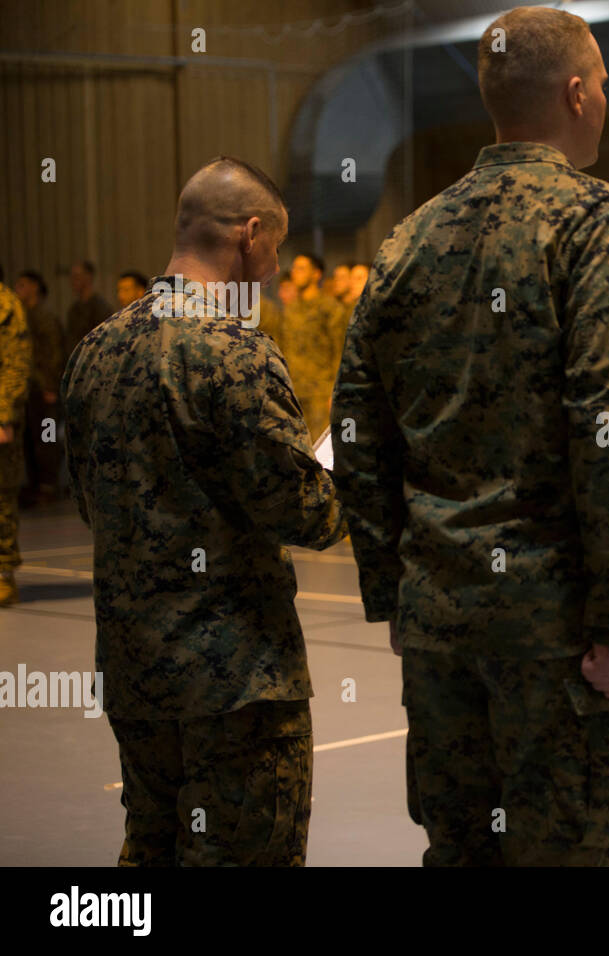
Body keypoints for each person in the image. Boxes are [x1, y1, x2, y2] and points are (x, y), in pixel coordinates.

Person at [332, 4, 609, 867]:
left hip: (441, 622)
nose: (604, 94)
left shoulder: (409, 239)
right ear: (574, 93)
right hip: (556, 632)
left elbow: (356, 432)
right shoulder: (598, 223)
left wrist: (395, 595)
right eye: (600, 80)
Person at [60, 156, 347, 865]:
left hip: (134, 672)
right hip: (235, 685)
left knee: (150, 847)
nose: (276, 270)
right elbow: (306, 513)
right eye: (274, 249)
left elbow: (90, 504)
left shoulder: (94, 351)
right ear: (250, 235)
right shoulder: (234, 352)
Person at [270, 253, 348, 439]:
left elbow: (341, 351)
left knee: (322, 447)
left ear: (316, 274)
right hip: (295, 391)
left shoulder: (330, 308)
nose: (295, 273)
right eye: (294, 268)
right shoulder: (291, 309)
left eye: (301, 268)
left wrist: (337, 391)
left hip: (321, 393)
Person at [14, 270, 66, 504]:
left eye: (22, 285)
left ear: (35, 287)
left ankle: (48, 485)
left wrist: (51, 387)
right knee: (31, 438)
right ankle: (36, 484)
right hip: (30, 391)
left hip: (45, 392)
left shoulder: (44, 317)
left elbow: (54, 354)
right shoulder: (23, 317)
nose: (18, 289)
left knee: (47, 437)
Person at [0, 267, 32, 607]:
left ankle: (3, 574)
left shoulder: (6, 305)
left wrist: (4, 416)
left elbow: (15, 365)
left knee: (1, 499)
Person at [65, 260, 113, 347]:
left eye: (77, 277)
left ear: (88, 277)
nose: (73, 281)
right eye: (72, 277)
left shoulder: (100, 308)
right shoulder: (73, 309)